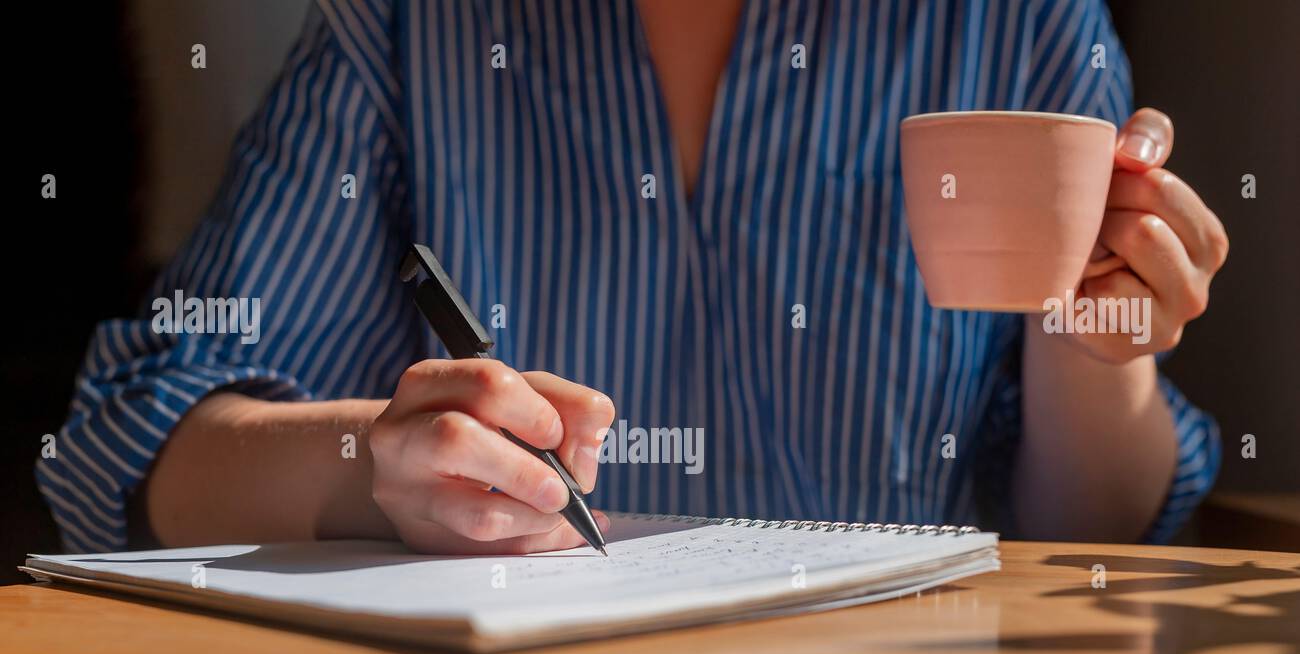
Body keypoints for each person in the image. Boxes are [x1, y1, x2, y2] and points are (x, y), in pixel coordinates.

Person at [39, 0, 1227, 555]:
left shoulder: (1015, 25)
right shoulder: (407, 27)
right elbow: (127, 449)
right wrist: (378, 467)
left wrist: (1095, 349)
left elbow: (1090, 526)